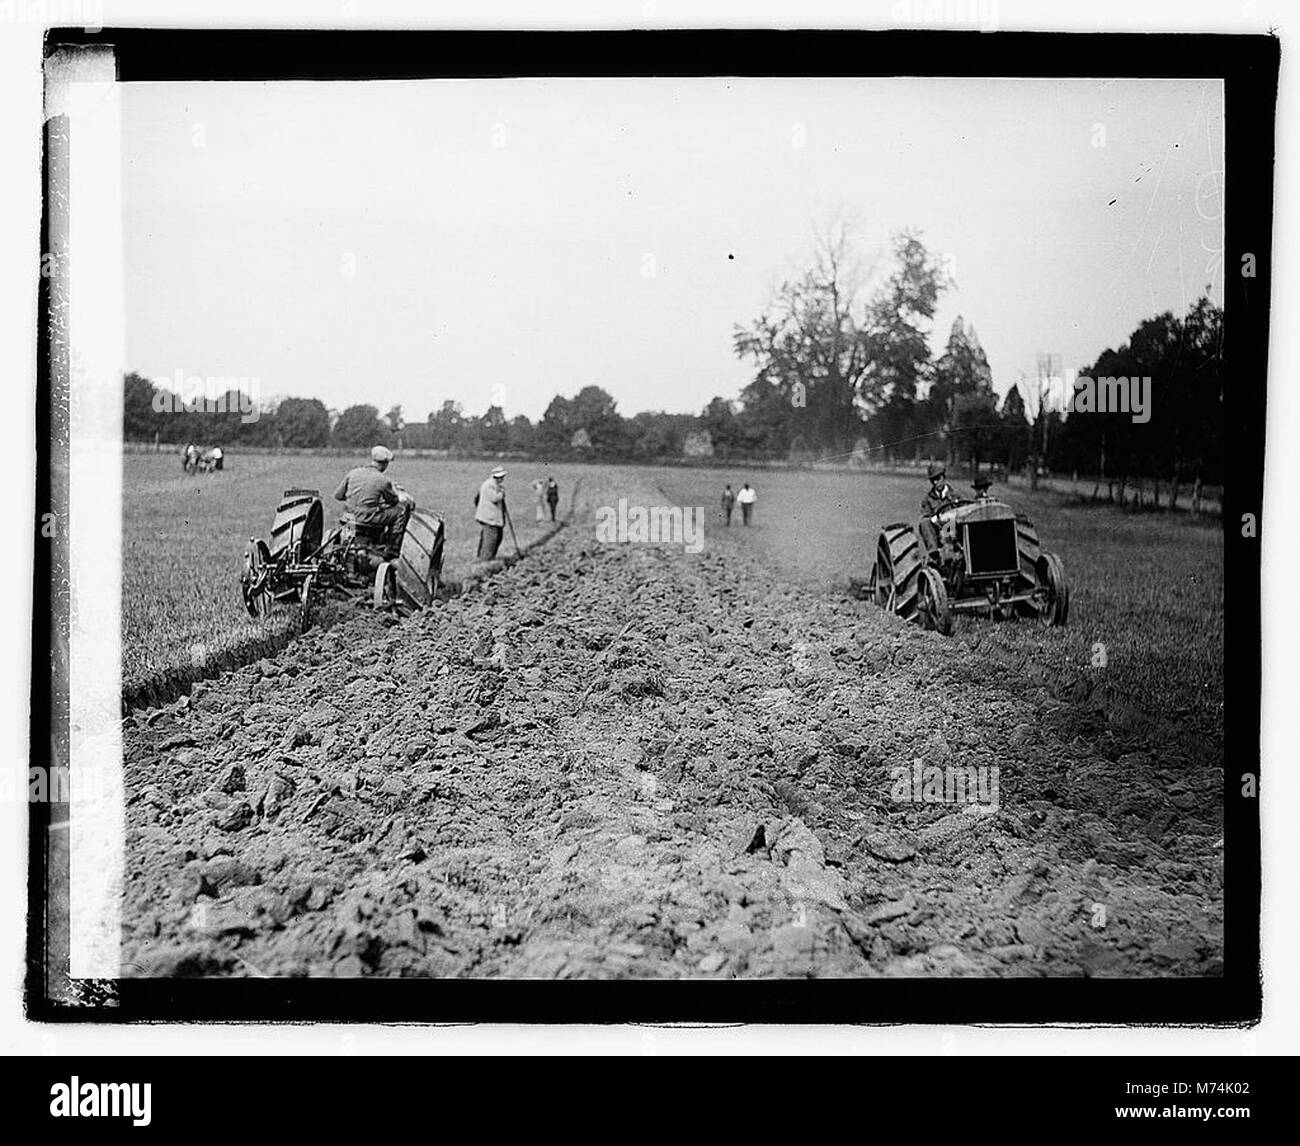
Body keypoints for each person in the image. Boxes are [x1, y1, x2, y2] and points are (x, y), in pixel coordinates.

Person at [333, 445, 411, 534]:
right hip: (368, 519)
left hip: (348, 517)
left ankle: (347, 539)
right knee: (400, 511)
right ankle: (392, 544)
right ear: (385, 464)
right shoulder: (383, 480)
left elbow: (338, 496)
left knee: (350, 517)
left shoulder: (353, 473)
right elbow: (393, 501)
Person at [918, 462, 957, 561]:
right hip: (937, 529)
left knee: (950, 522)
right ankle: (934, 554)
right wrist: (933, 518)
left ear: (943, 478)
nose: (935, 483)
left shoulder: (955, 496)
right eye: (932, 480)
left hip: (953, 528)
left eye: (938, 479)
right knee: (924, 522)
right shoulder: (927, 499)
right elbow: (925, 514)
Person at [475, 467, 508, 560]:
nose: (502, 479)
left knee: (496, 538)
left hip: (492, 517)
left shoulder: (494, 484)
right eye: (501, 477)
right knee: (491, 539)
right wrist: (502, 493)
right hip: (489, 517)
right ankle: (485, 559)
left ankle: (485, 557)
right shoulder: (489, 485)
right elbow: (494, 498)